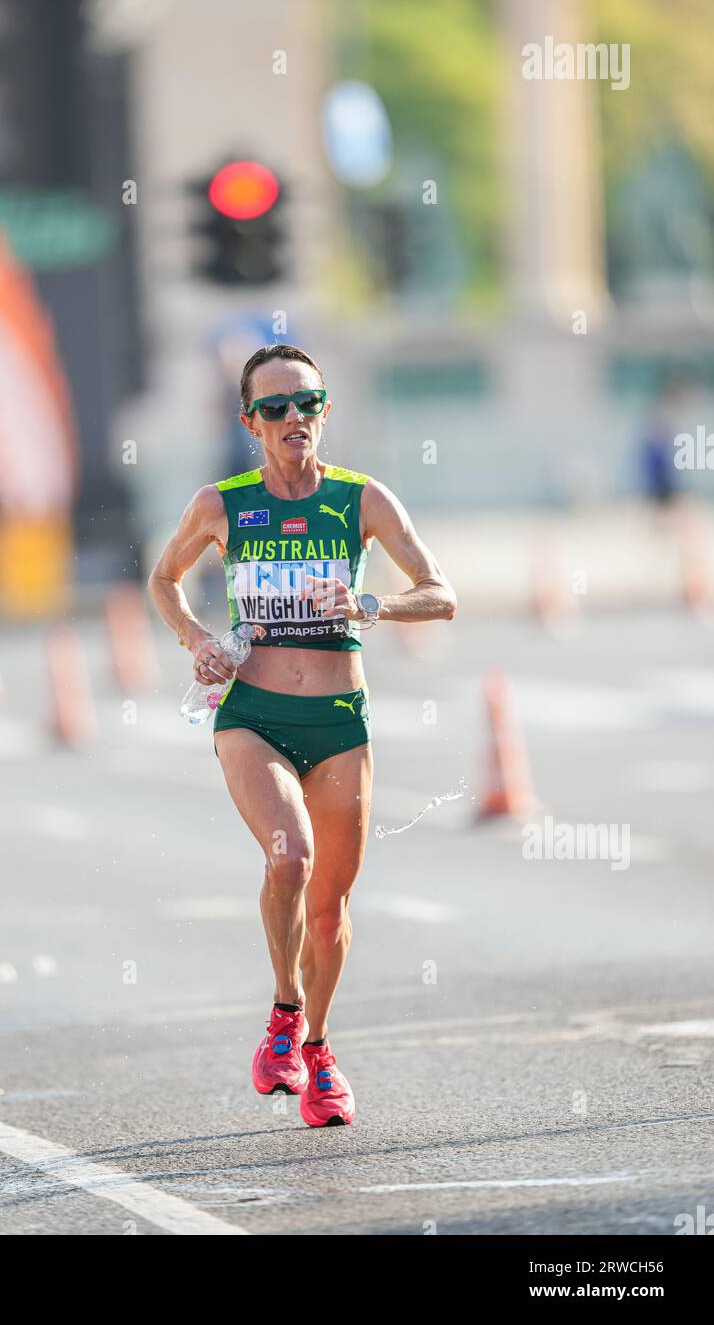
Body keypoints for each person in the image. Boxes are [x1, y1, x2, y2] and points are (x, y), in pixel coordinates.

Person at [148, 344, 456, 1127]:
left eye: (308, 404)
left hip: (340, 724)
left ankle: (318, 1049)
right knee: (290, 853)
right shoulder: (223, 504)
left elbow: (441, 594)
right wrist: (196, 638)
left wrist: (370, 606)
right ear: (249, 421)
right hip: (253, 717)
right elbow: (163, 578)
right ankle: (282, 1016)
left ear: (325, 412)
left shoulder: (362, 500)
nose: (294, 419)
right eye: (276, 407)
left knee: (329, 910)